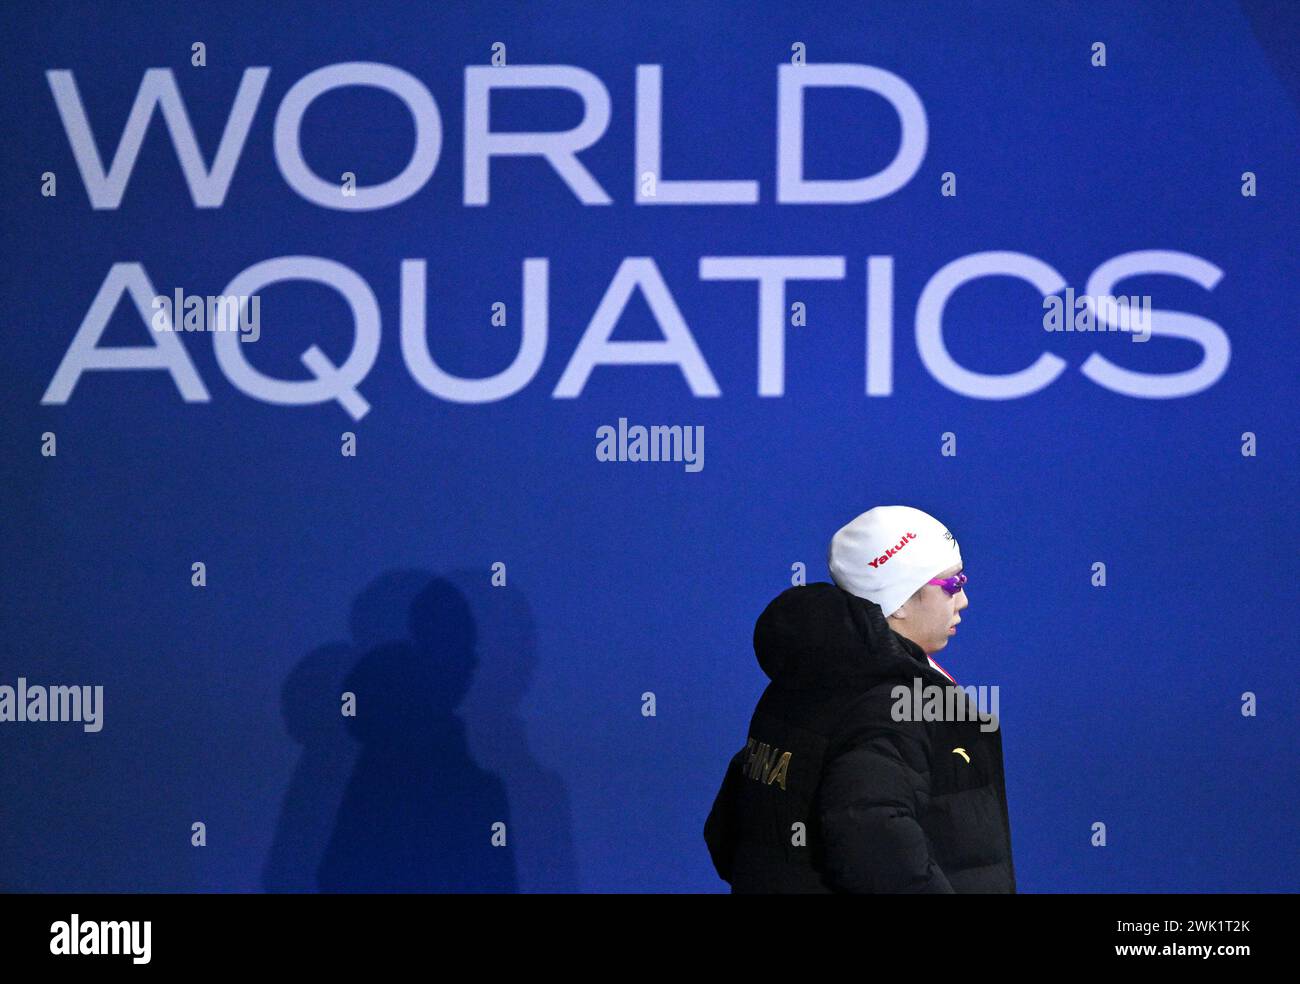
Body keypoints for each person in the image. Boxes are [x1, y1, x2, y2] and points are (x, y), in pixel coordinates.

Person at [703, 505, 1015, 893]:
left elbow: (727, 832)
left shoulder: (795, 684)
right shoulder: (895, 704)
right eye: (952, 585)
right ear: (898, 599)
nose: (963, 600)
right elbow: (876, 844)